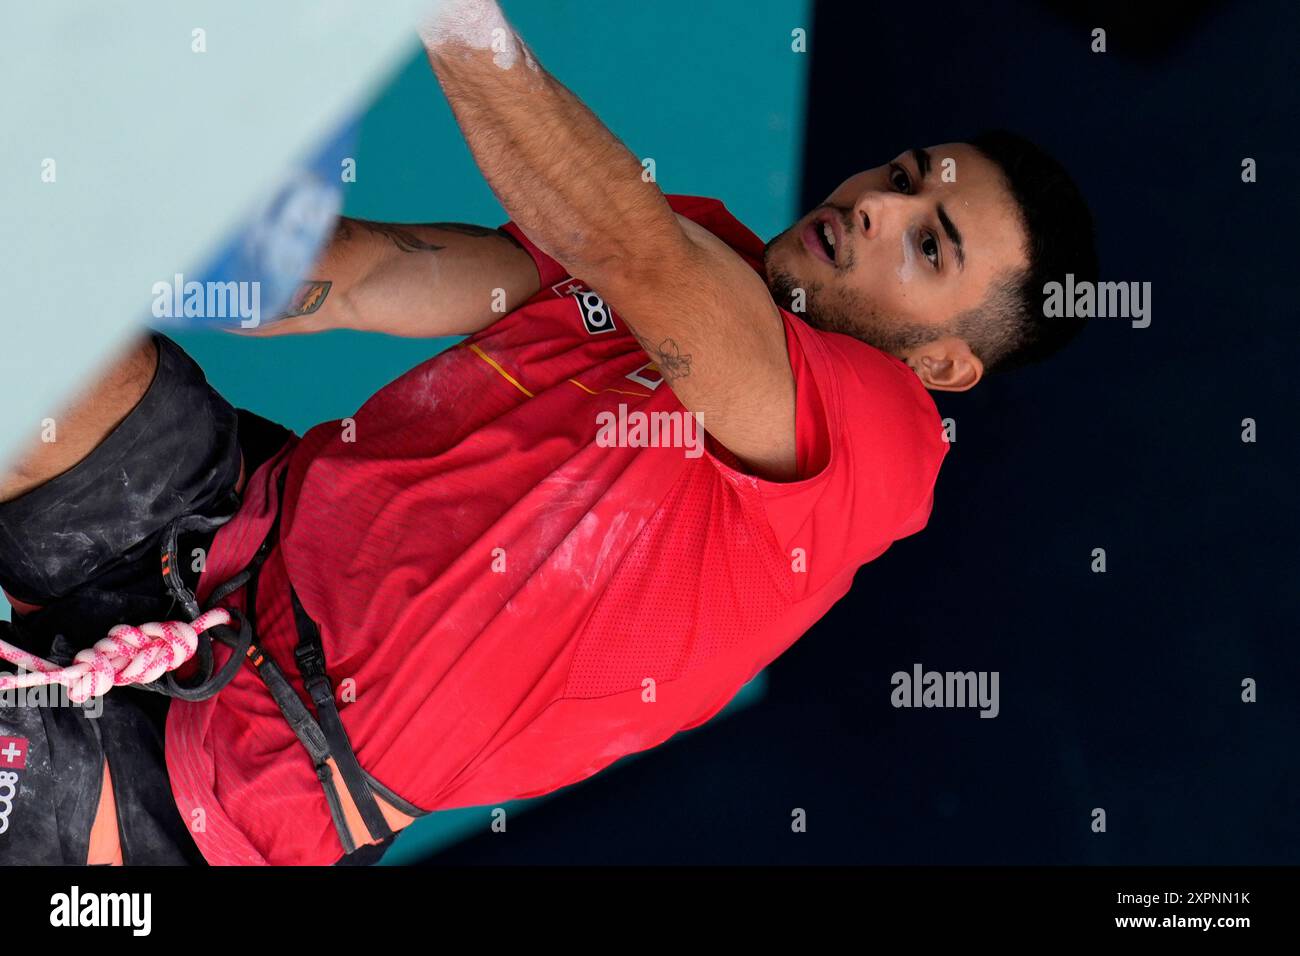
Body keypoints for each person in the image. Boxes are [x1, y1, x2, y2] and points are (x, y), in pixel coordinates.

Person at [0, 1, 1097, 865]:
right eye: (902, 180)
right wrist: (180, 243)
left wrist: (451, 16)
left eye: (930, 245)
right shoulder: (694, 235)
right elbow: (375, 274)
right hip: (217, 527)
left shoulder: (883, 443)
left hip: (223, 795)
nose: (879, 208)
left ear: (946, 363)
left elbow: (632, 256)